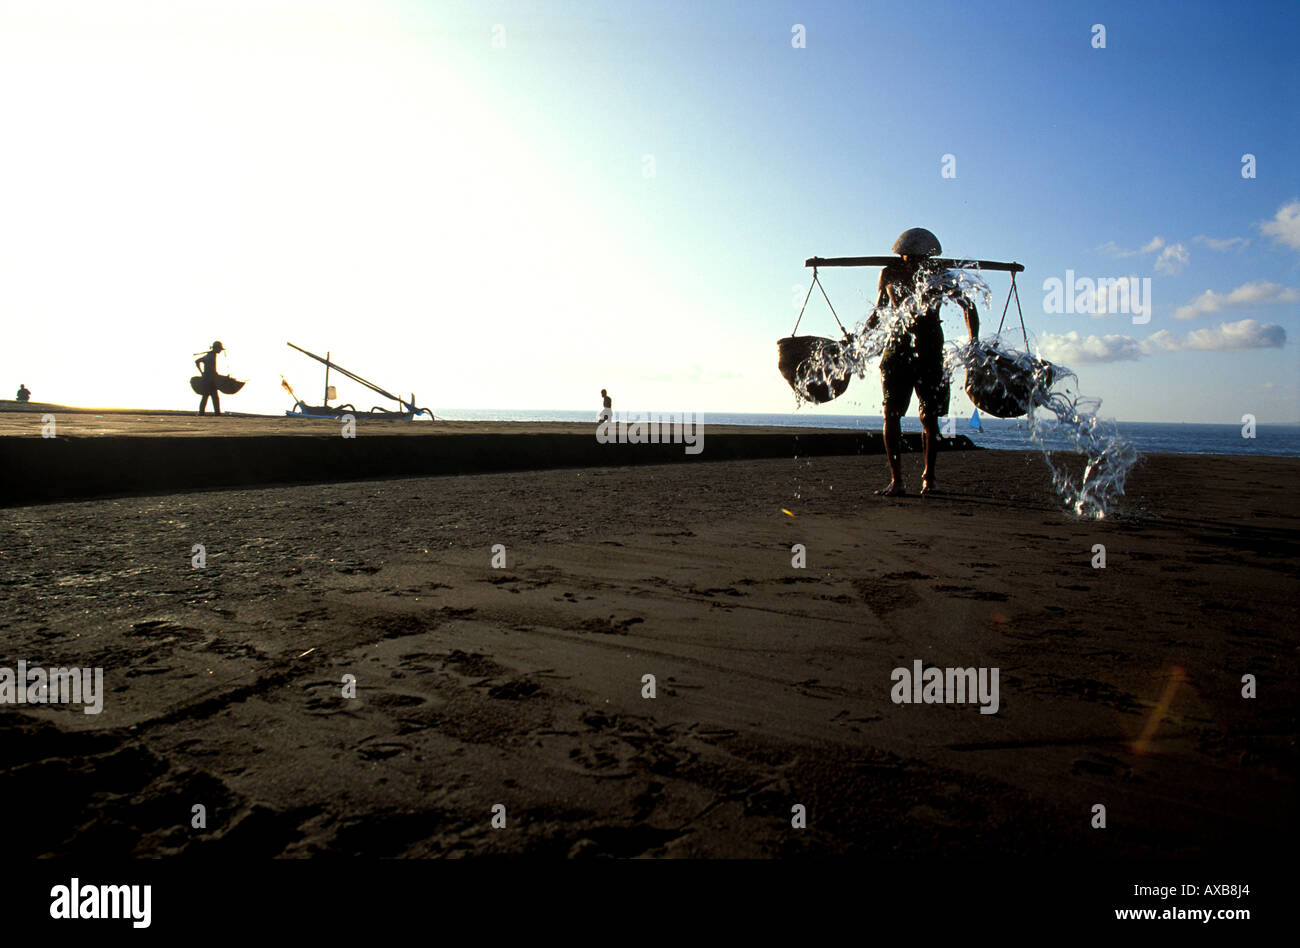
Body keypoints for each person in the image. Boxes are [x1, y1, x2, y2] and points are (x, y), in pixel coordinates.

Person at [865, 228, 979, 497]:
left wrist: (973, 341)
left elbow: (968, 306)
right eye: (909, 257)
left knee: (929, 415)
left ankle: (930, 478)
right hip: (897, 343)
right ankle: (897, 481)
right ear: (901, 254)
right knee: (891, 413)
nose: (914, 262)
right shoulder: (889, 273)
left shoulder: (939, 275)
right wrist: (857, 341)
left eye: (919, 257)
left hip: (929, 344)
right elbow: (879, 312)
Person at [195, 341, 224, 415]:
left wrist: (202, 372)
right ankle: (212, 413)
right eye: (219, 349)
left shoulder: (211, 355)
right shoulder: (210, 356)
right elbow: (197, 361)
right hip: (209, 379)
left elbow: (198, 361)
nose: (220, 350)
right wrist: (202, 372)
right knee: (210, 397)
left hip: (209, 378)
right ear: (216, 348)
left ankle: (203, 412)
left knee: (209, 396)